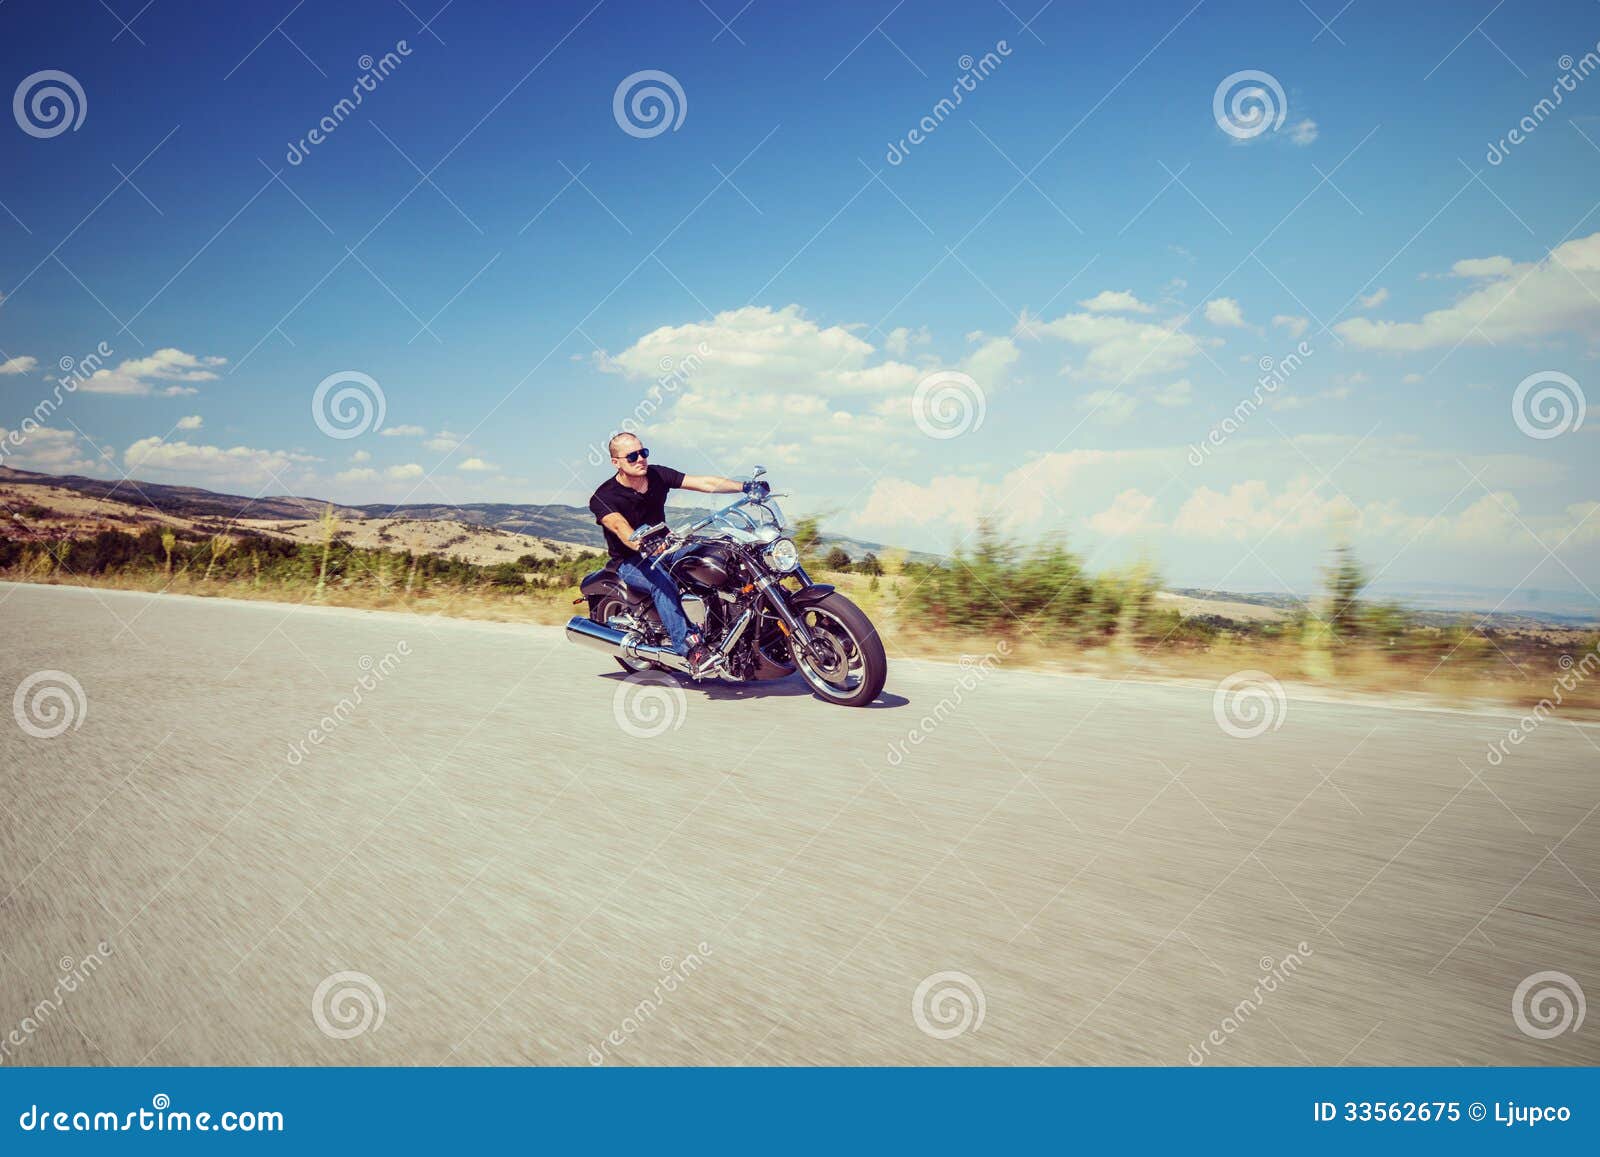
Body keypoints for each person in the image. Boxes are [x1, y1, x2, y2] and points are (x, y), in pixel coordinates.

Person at [588, 432, 747, 676]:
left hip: (667, 548)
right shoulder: (604, 496)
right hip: (632, 559)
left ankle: (735, 623)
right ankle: (691, 650)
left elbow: (703, 483)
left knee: (724, 552)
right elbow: (619, 526)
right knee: (662, 584)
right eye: (632, 456)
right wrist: (642, 542)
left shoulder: (657, 475)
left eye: (643, 452)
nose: (641, 459)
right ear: (615, 462)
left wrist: (744, 487)